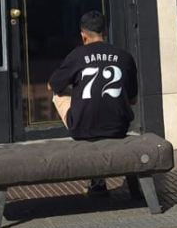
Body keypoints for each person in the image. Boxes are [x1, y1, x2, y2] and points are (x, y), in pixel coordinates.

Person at [48, 10, 139, 196]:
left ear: (83, 35)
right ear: (105, 32)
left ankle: (98, 183)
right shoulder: (125, 56)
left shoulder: (77, 55)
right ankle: (99, 182)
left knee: (58, 93)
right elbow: (133, 99)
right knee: (111, 101)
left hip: (83, 129)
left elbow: (52, 85)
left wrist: (75, 90)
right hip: (117, 128)